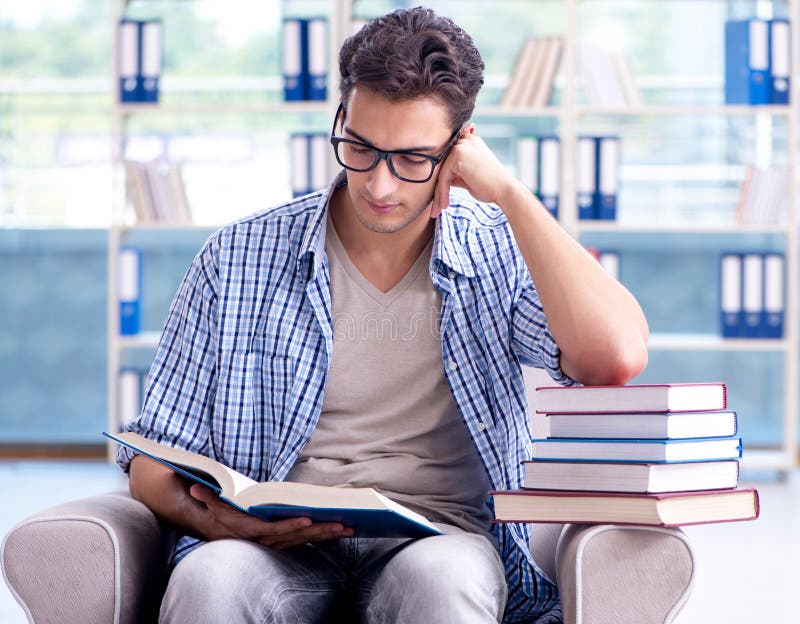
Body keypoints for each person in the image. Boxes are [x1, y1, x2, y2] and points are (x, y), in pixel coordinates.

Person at [119, 7, 648, 624]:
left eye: (414, 159)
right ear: (340, 118)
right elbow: (154, 455)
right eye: (361, 148)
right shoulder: (236, 257)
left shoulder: (498, 251)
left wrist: (508, 193)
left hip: (436, 540)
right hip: (275, 547)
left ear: (461, 147)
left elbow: (616, 358)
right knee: (209, 581)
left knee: (446, 581)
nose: (380, 185)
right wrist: (209, 518)